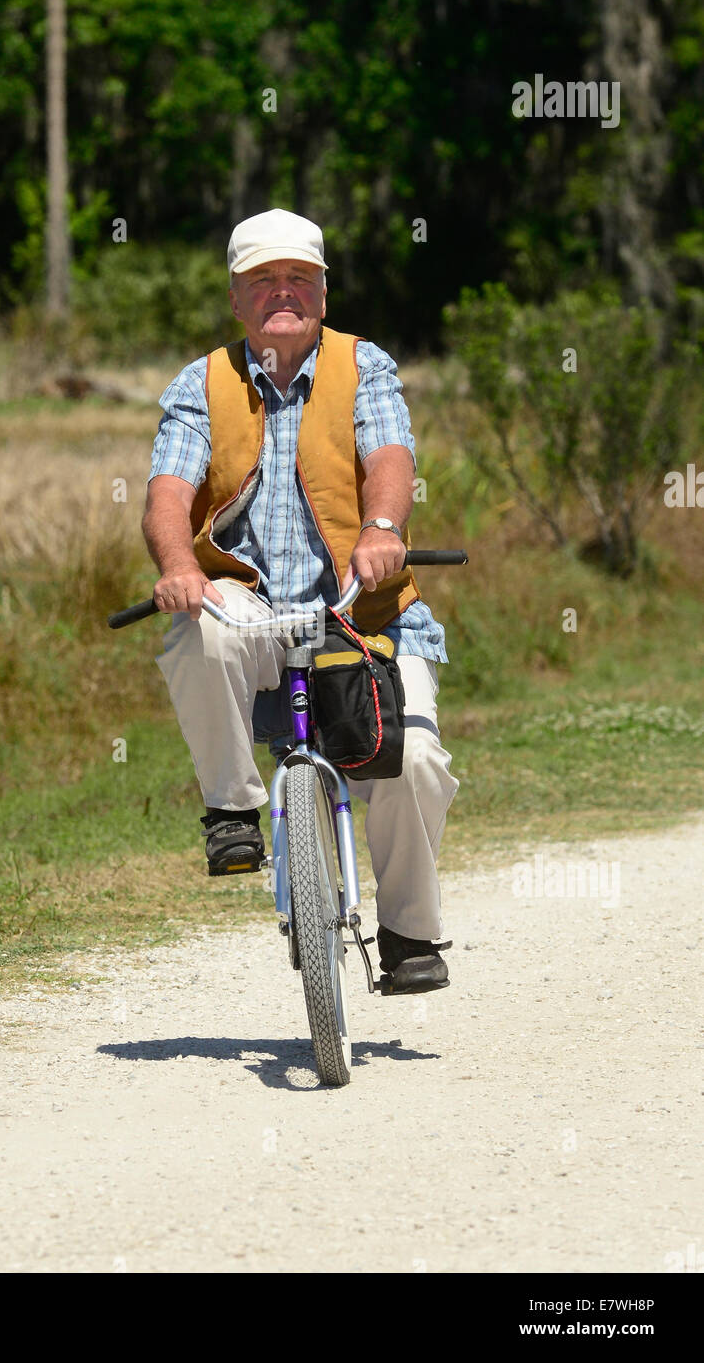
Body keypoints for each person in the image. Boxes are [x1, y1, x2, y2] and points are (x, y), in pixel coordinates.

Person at [142, 208, 459, 995]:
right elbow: (166, 496)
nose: (283, 293)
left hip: (363, 607)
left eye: (299, 279)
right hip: (253, 607)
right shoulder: (202, 383)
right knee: (195, 632)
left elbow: (390, 455)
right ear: (237, 299)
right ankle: (232, 812)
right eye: (263, 281)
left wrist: (384, 529)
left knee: (412, 760)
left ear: (321, 290)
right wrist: (181, 566)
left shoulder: (364, 365)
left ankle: (409, 933)